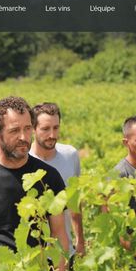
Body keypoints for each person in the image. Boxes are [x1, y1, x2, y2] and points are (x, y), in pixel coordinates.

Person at [0, 96, 69, 271]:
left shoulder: (48, 177)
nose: (23, 137)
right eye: (14, 131)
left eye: (28, 128)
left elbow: (59, 234)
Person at [30, 103, 85, 261]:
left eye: (56, 128)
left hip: (66, 250)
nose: (52, 134)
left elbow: (75, 202)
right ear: (33, 129)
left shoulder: (70, 155)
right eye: (45, 129)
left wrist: (80, 241)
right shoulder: (24, 161)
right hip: (36, 255)